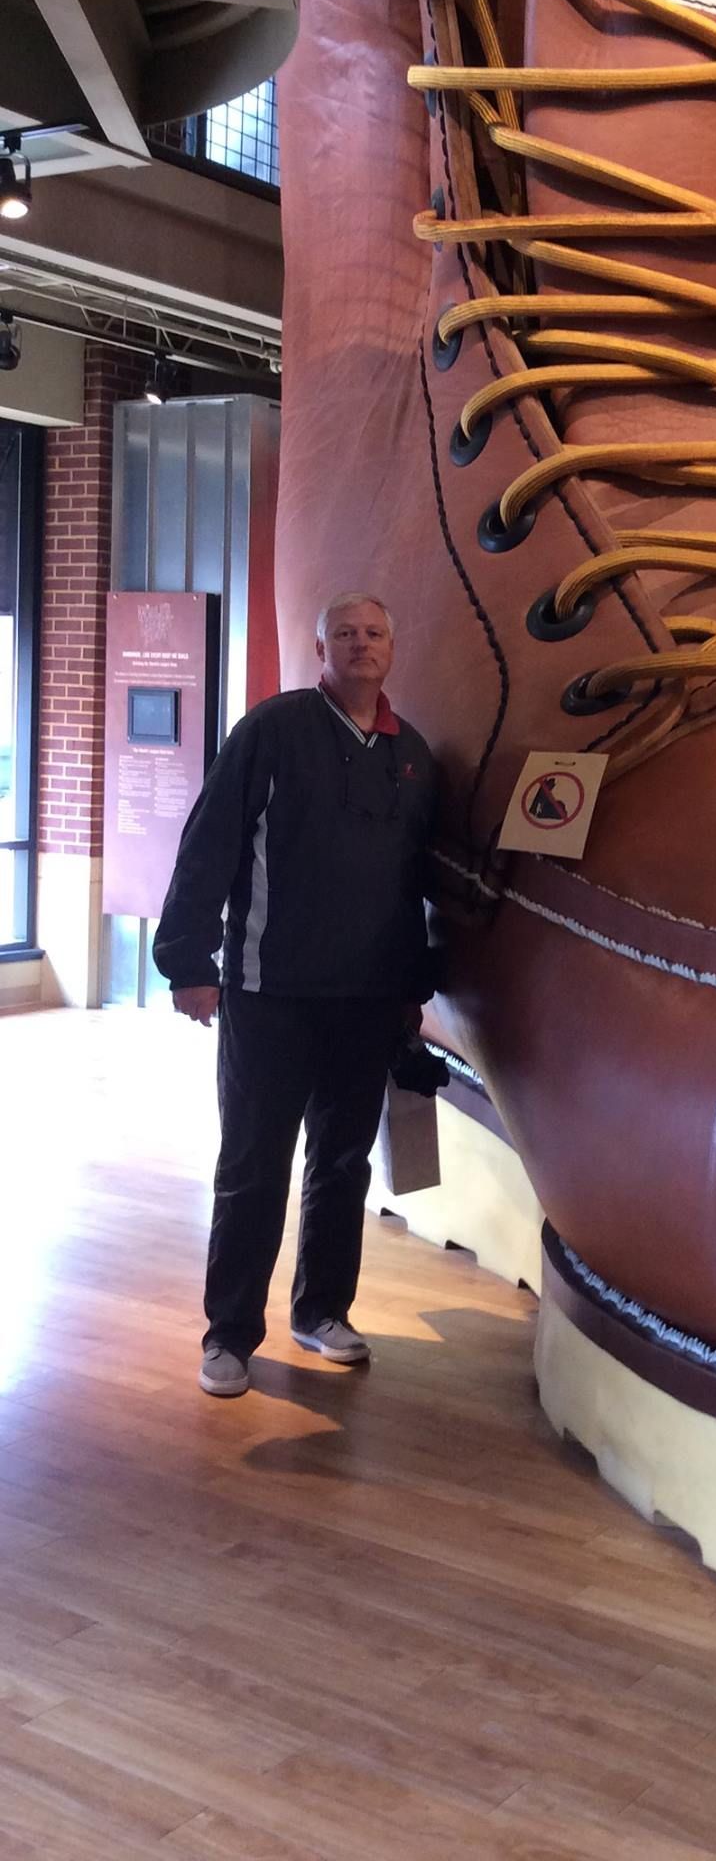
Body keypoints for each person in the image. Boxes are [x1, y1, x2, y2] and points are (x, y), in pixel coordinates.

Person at [153, 593, 437, 1398]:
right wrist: (188, 963)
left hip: (366, 1002)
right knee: (252, 1166)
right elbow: (206, 842)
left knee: (342, 1163)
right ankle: (230, 1336)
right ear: (321, 649)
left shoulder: (411, 756)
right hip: (265, 994)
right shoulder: (271, 733)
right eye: (344, 634)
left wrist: (412, 992)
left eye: (374, 633)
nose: (360, 645)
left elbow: (417, 885)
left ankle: (322, 1313)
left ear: (392, 647)